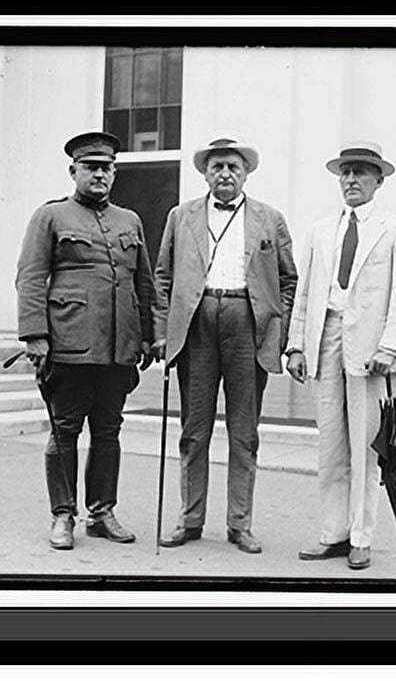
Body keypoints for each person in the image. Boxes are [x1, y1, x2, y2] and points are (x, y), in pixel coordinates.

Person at [152, 135, 298, 554]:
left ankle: (239, 524)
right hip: (197, 323)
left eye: (234, 167)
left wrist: (278, 329)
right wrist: (163, 331)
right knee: (194, 431)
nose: (225, 174)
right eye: (216, 167)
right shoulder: (181, 216)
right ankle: (190, 519)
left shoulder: (270, 218)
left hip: (247, 323)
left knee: (243, 432)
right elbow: (162, 278)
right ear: (204, 173)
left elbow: (288, 280)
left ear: (246, 172)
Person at [16, 131, 155, 550]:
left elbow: (143, 282)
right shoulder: (51, 217)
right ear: (73, 171)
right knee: (65, 431)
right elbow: (30, 276)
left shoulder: (129, 220)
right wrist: (35, 335)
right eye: (91, 167)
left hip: (119, 347)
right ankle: (63, 515)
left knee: (109, 431)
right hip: (70, 343)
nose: (99, 174)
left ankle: (102, 512)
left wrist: (149, 336)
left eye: (106, 167)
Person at [286, 141, 396, 570]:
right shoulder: (320, 230)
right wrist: (296, 345)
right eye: (345, 172)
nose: (351, 180)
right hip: (325, 339)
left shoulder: (395, 228)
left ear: (378, 180)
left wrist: (392, 345)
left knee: (367, 447)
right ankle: (334, 533)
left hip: (371, 348)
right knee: (330, 445)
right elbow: (306, 292)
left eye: (361, 172)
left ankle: (362, 537)